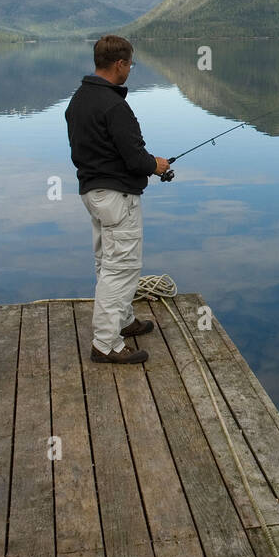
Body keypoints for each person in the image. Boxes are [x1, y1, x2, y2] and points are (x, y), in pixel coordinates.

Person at [65, 35, 171, 364]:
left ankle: (124, 322)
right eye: (130, 65)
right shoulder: (114, 105)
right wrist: (157, 165)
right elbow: (136, 159)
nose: (130, 71)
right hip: (117, 198)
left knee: (107, 264)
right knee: (121, 268)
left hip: (93, 193)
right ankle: (106, 344)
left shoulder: (79, 99)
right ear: (119, 64)